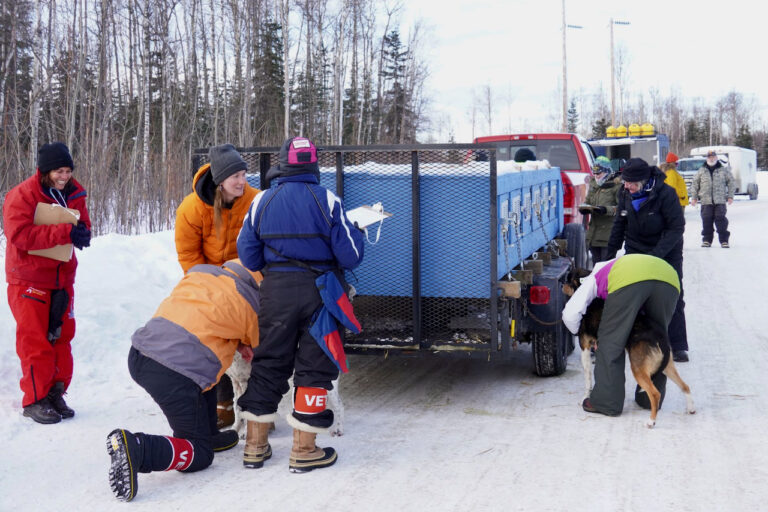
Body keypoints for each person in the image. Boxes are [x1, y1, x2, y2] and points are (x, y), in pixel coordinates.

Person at [236, 136, 365, 473]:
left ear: (282, 165)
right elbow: (350, 255)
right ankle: (304, 449)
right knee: (313, 367)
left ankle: (254, 446)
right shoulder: (328, 200)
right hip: (319, 294)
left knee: (269, 362)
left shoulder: (261, 200)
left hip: (275, 293)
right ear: (314, 165)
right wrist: (358, 231)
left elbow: (248, 255)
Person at [106, 259, 262, 502]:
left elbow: (208, 318)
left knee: (206, 374)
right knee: (200, 453)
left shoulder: (199, 275)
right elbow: (259, 349)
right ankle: (139, 448)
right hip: (173, 373)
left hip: (140, 353)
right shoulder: (250, 305)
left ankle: (209, 433)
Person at [3, 142, 92, 424]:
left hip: (63, 278)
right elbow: (20, 236)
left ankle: (55, 392)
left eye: (67, 170)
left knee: (62, 338)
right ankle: (34, 399)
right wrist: (64, 232)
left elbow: (81, 223)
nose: (64, 176)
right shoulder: (23, 195)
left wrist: (82, 234)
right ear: (44, 170)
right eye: (58, 171)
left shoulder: (74, 193)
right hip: (29, 278)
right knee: (35, 341)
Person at [175, 143, 258, 429]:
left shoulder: (255, 200)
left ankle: (258, 403)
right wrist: (206, 285)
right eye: (235, 176)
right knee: (214, 335)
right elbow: (188, 255)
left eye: (244, 174)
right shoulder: (192, 208)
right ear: (219, 179)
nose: (241, 181)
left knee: (254, 336)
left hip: (246, 277)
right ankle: (223, 402)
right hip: (209, 278)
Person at [562, 253, 680, 416]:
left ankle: (606, 402)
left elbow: (570, 314)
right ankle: (648, 398)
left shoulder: (593, 279)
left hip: (629, 280)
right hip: (669, 278)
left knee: (610, 341)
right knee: (655, 336)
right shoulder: (612, 264)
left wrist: (582, 334)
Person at [606, 157, 689, 363]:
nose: (627, 187)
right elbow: (619, 224)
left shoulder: (666, 194)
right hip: (635, 247)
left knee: (672, 293)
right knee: (630, 293)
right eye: (625, 182)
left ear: (644, 181)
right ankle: (631, 339)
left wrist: (656, 255)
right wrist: (608, 256)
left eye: (631, 183)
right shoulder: (625, 193)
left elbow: (676, 228)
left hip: (666, 250)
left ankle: (678, 345)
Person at [580, 156, 621, 264]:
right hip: (593, 235)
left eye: (599, 173)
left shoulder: (616, 186)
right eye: (595, 173)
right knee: (595, 268)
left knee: (605, 268)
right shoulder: (594, 185)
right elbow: (588, 200)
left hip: (608, 236)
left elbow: (621, 209)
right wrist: (585, 208)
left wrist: (605, 210)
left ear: (608, 171)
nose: (596, 176)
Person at [690, 150, 734, 248]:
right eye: (709, 157)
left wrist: (730, 196)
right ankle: (707, 240)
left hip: (720, 201)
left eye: (713, 157)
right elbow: (695, 184)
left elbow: (731, 182)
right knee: (706, 220)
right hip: (706, 201)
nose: (711, 158)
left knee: (720, 219)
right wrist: (694, 197)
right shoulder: (701, 170)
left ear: (716, 157)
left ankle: (724, 241)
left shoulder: (723, 170)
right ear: (707, 158)